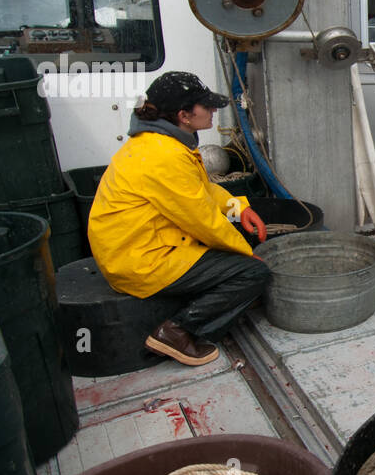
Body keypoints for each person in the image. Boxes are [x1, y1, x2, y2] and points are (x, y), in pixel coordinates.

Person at [89, 71, 270, 366]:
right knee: (252, 273)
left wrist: (239, 208)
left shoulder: (162, 142)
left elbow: (200, 190)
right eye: (206, 106)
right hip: (140, 260)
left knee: (237, 248)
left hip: (143, 244)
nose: (213, 111)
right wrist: (248, 256)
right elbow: (203, 222)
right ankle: (178, 332)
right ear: (184, 115)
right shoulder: (164, 155)